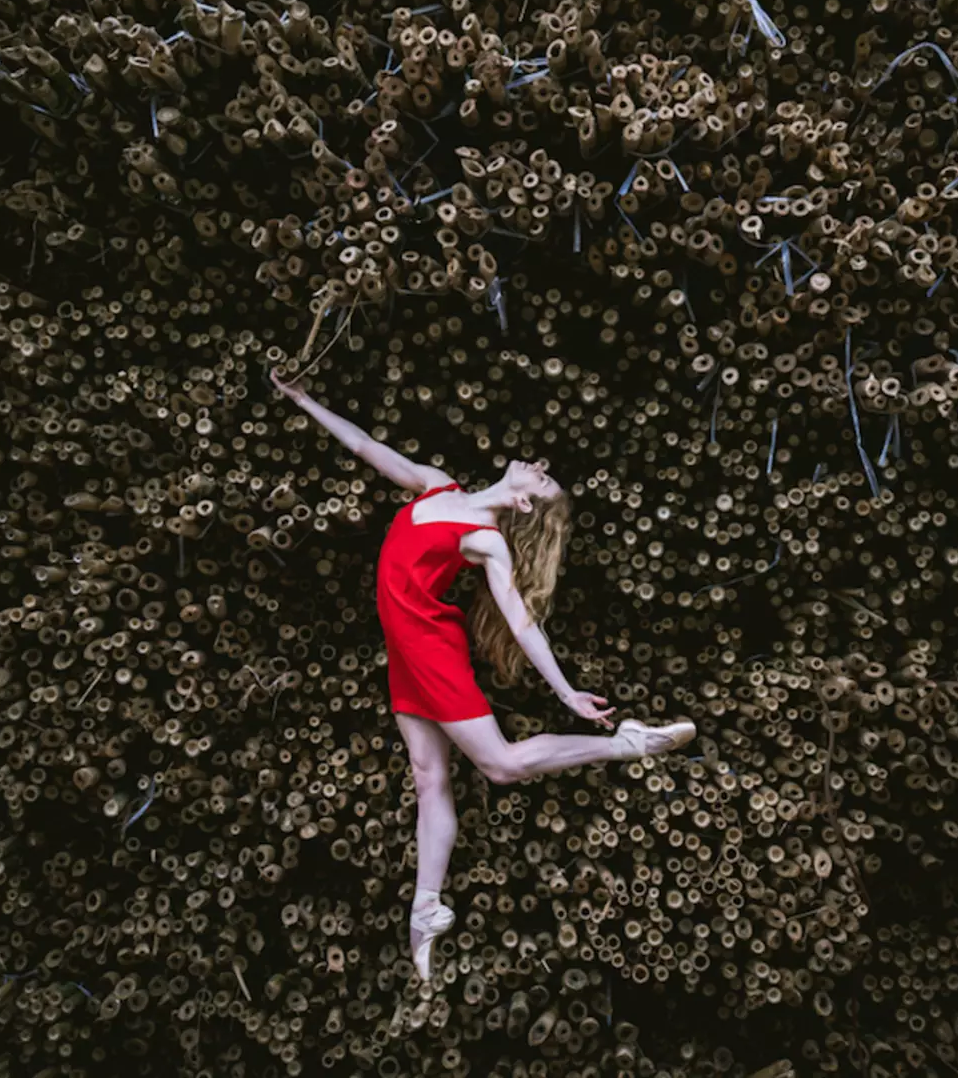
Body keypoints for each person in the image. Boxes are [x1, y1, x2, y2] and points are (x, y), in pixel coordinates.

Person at [270, 371, 698, 981]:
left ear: (523, 502)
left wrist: (566, 691)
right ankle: (425, 910)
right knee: (429, 776)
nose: (537, 464)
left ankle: (627, 742)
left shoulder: (486, 539)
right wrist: (304, 399)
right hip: (405, 655)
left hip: (430, 651)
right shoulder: (436, 486)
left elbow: (521, 622)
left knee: (499, 764)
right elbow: (367, 448)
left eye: (542, 477)